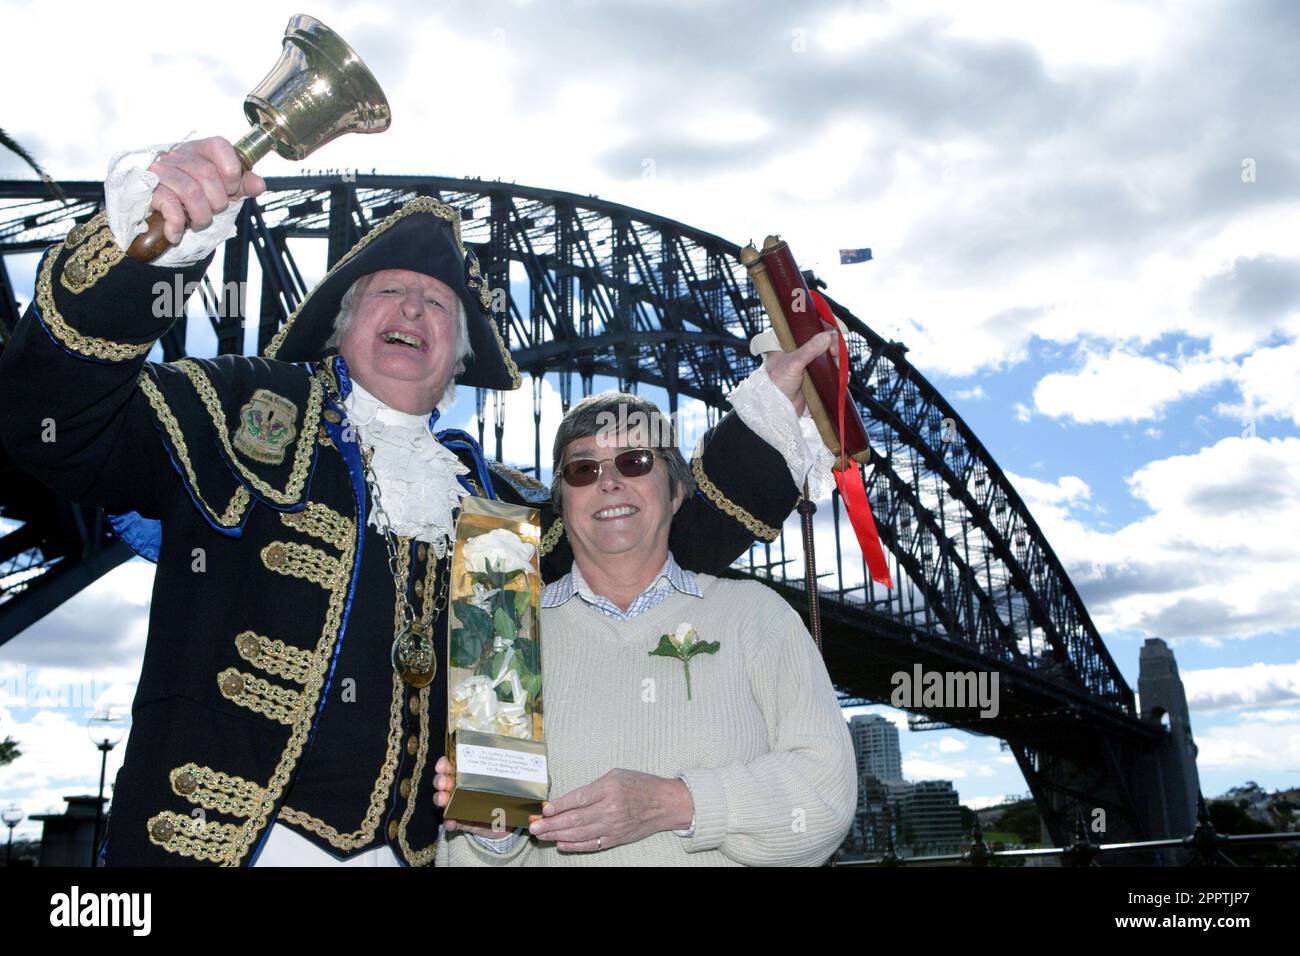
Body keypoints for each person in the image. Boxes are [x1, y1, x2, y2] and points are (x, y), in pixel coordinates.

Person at [0, 136, 838, 866]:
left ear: (457, 357)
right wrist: (146, 250)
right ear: (342, 324)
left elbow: (651, 544)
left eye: (438, 304)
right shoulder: (234, 410)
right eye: (388, 293)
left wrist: (767, 413)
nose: (413, 308)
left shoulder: (492, 512)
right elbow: (50, 427)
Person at [433, 392, 857, 866]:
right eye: (583, 470)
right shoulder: (502, 638)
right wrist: (490, 835)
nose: (609, 482)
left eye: (634, 461)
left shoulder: (758, 617)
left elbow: (826, 801)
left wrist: (675, 804)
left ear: (676, 491)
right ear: (562, 502)